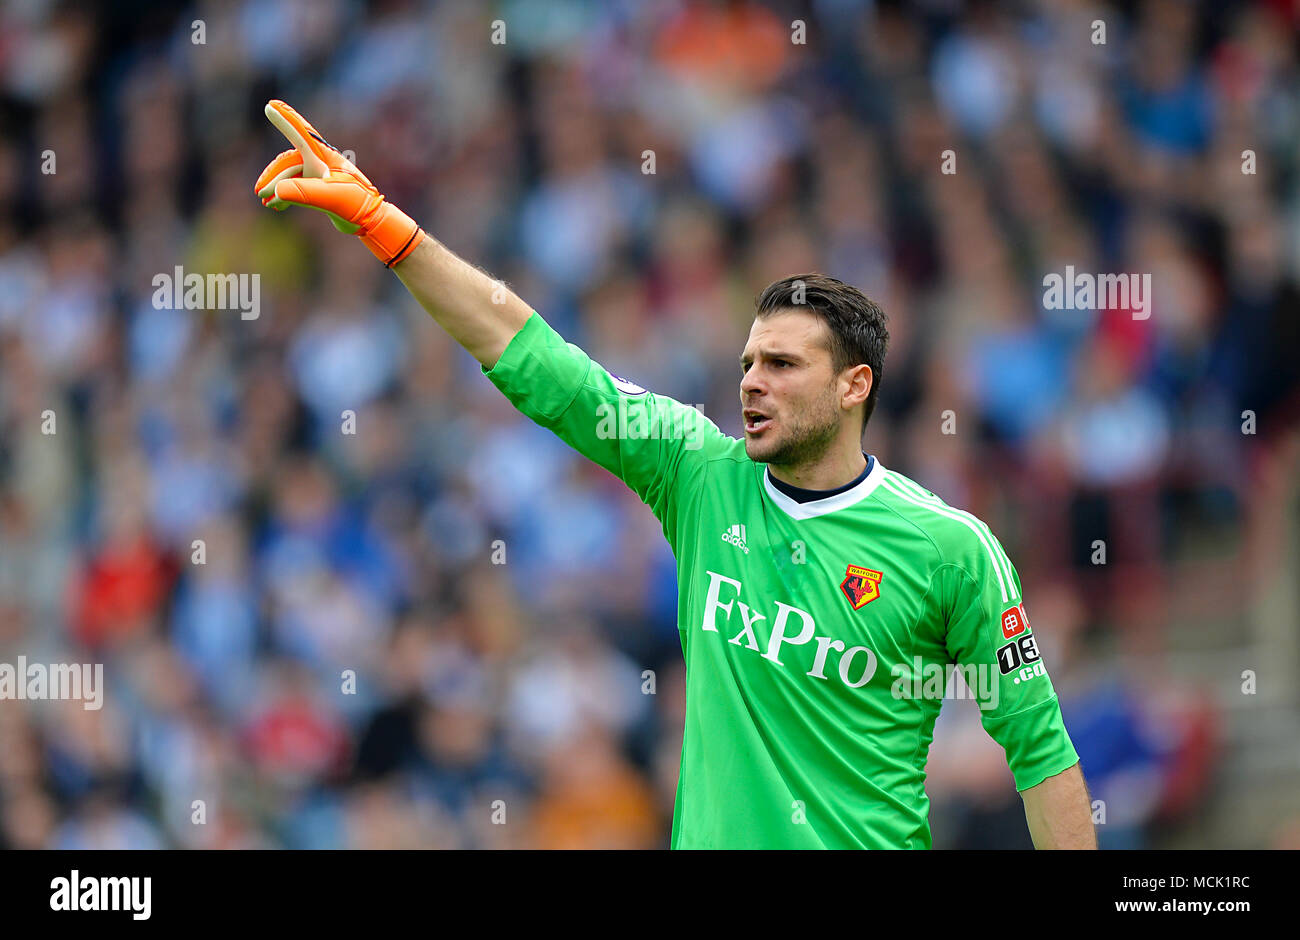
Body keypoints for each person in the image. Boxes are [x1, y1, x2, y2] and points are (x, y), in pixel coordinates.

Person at [254, 99, 1097, 849]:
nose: (752, 381)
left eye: (783, 364)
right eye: (747, 361)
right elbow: (542, 359)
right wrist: (384, 225)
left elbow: (1041, 752)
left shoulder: (950, 548)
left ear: (854, 386)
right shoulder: (698, 473)